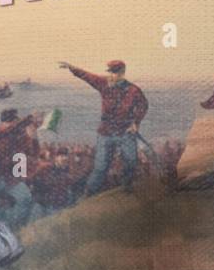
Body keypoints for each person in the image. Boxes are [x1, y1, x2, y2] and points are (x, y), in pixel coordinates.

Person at [58, 58, 148, 195]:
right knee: (100, 167)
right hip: (105, 133)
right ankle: (88, 193)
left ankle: (126, 187)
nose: (111, 75)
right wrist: (72, 67)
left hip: (125, 133)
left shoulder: (133, 90)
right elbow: (87, 76)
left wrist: (136, 122)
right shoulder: (104, 83)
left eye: (115, 73)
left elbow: (143, 105)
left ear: (122, 73)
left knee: (131, 162)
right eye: (110, 72)